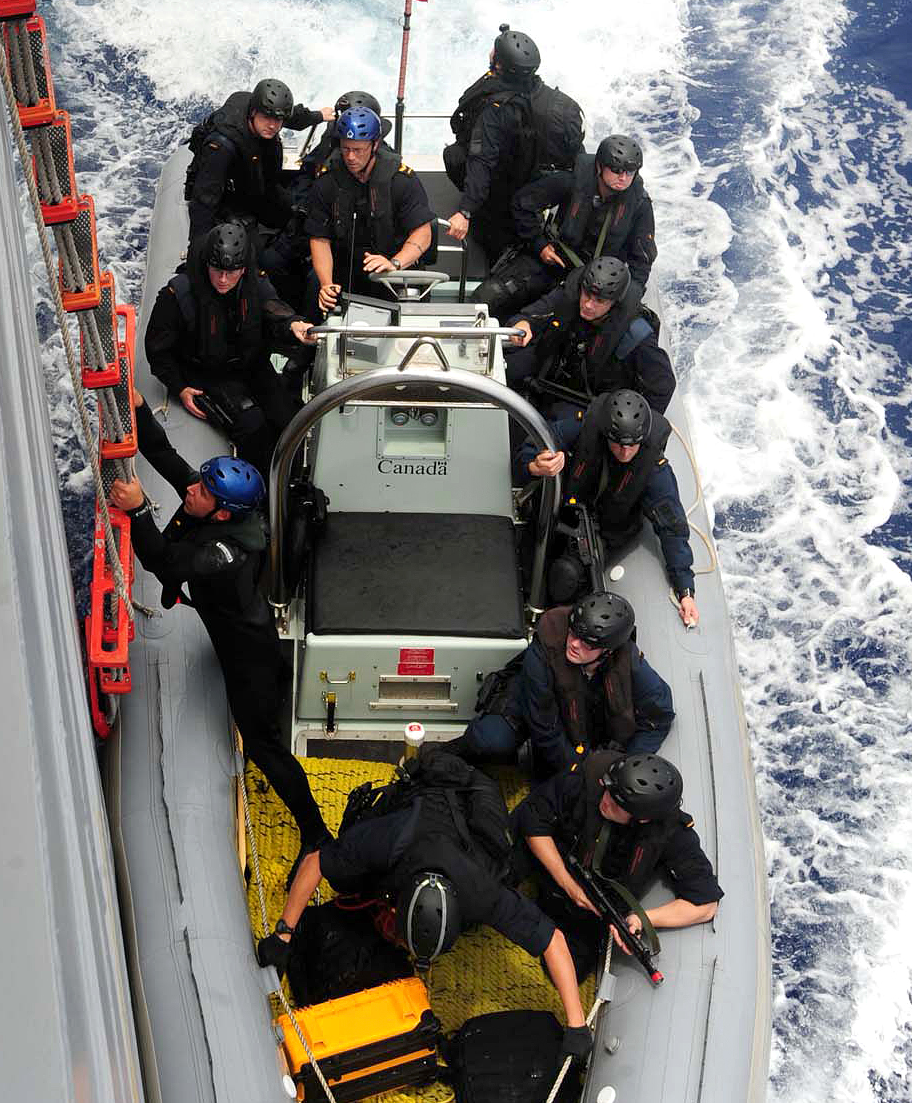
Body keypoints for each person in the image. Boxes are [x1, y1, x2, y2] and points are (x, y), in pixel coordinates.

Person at [254, 748, 591, 1051]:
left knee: (502, 866)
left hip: (471, 799)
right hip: (422, 802)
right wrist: (284, 934)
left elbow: (553, 940)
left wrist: (576, 1024)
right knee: (346, 880)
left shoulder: (482, 893)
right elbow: (317, 861)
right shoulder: (388, 841)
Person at [109, 454, 327, 849]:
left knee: (264, 745)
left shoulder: (225, 556)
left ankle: (316, 835)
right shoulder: (217, 507)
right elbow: (174, 465)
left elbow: (165, 561)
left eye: (203, 490)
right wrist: (140, 412)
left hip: (247, 658)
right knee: (267, 687)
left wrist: (140, 509)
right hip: (247, 635)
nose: (192, 489)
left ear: (223, 515)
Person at [514, 751, 722, 972]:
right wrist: (570, 886)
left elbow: (706, 905)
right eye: (609, 791)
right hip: (552, 858)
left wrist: (641, 919)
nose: (606, 800)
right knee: (489, 875)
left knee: (570, 967)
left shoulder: (670, 833)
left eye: (617, 803)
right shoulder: (591, 776)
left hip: (590, 908)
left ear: (643, 818)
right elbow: (533, 820)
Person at [143, 221, 317, 475]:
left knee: (290, 418)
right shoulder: (178, 294)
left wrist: (293, 324)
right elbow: (157, 350)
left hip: (250, 365)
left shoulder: (252, 284)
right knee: (253, 426)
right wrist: (179, 387)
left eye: (232, 272)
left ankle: (296, 482)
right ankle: (262, 494)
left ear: (243, 269)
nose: (224, 280)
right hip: (206, 374)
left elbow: (272, 306)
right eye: (218, 271)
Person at [518, 389, 699, 626]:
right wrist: (534, 464)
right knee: (528, 550)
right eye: (618, 444)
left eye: (632, 446)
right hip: (566, 509)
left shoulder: (654, 471)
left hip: (604, 531)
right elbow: (544, 438)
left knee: (566, 577)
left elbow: (672, 527)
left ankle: (552, 620)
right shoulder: (587, 428)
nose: (625, 452)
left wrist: (685, 589)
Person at [452, 590, 674, 781]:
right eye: (573, 634)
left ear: (608, 651)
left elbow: (659, 715)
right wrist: (579, 771)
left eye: (587, 643)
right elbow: (545, 729)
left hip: (585, 717)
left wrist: (626, 767)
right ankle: (449, 753)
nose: (574, 644)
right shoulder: (542, 654)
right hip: (539, 705)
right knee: (490, 739)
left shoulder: (627, 660)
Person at [443, 26, 585, 266]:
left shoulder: (495, 112)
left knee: (454, 156)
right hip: (540, 186)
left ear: (498, 65)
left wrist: (466, 211)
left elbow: (481, 162)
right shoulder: (560, 105)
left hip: (505, 189)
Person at [484, 135, 657, 320]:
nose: (623, 178)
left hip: (598, 285)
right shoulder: (573, 180)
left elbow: (642, 261)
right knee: (491, 296)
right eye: (616, 170)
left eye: (630, 172)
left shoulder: (639, 205)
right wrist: (539, 244)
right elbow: (524, 204)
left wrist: (625, 300)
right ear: (600, 166)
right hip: (554, 261)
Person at [502, 255, 676, 416]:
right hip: (552, 372)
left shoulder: (635, 335)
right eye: (587, 295)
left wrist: (632, 424)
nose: (589, 305)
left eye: (599, 301)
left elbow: (663, 384)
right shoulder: (570, 295)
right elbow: (535, 312)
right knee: (504, 372)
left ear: (615, 303)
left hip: (590, 401)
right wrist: (523, 323)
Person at [304, 106, 435, 312]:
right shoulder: (327, 182)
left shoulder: (401, 181)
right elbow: (320, 238)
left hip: (394, 274)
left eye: (358, 150)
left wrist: (395, 263)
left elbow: (423, 233)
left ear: (374, 146)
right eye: (346, 148)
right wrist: (326, 284)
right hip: (347, 272)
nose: (350, 157)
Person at [185, 78, 333, 242]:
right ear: (253, 112)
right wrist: (198, 250)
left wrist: (318, 116)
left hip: (259, 185)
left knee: (297, 217)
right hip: (228, 199)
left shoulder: (263, 111)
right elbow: (203, 202)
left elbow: (289, 116)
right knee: (248, 249)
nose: (272, 125)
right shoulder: (222, 146)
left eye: (278, 120)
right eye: (267, 118)